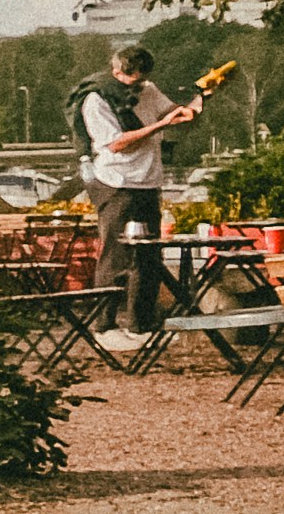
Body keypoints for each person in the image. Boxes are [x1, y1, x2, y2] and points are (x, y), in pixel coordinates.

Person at [78, 43, 202, 338]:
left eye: (141, 79)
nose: (136, 85)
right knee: (116, 255)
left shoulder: (149, 90)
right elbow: (119, 143)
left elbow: (176, 114)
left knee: (148, 257)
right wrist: (159, 126)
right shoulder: (97, 100)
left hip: (148, 182)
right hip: (116, 183)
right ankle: (104, 323)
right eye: (130, 80)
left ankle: (141, 322)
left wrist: (198, 103)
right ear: (116, 73)